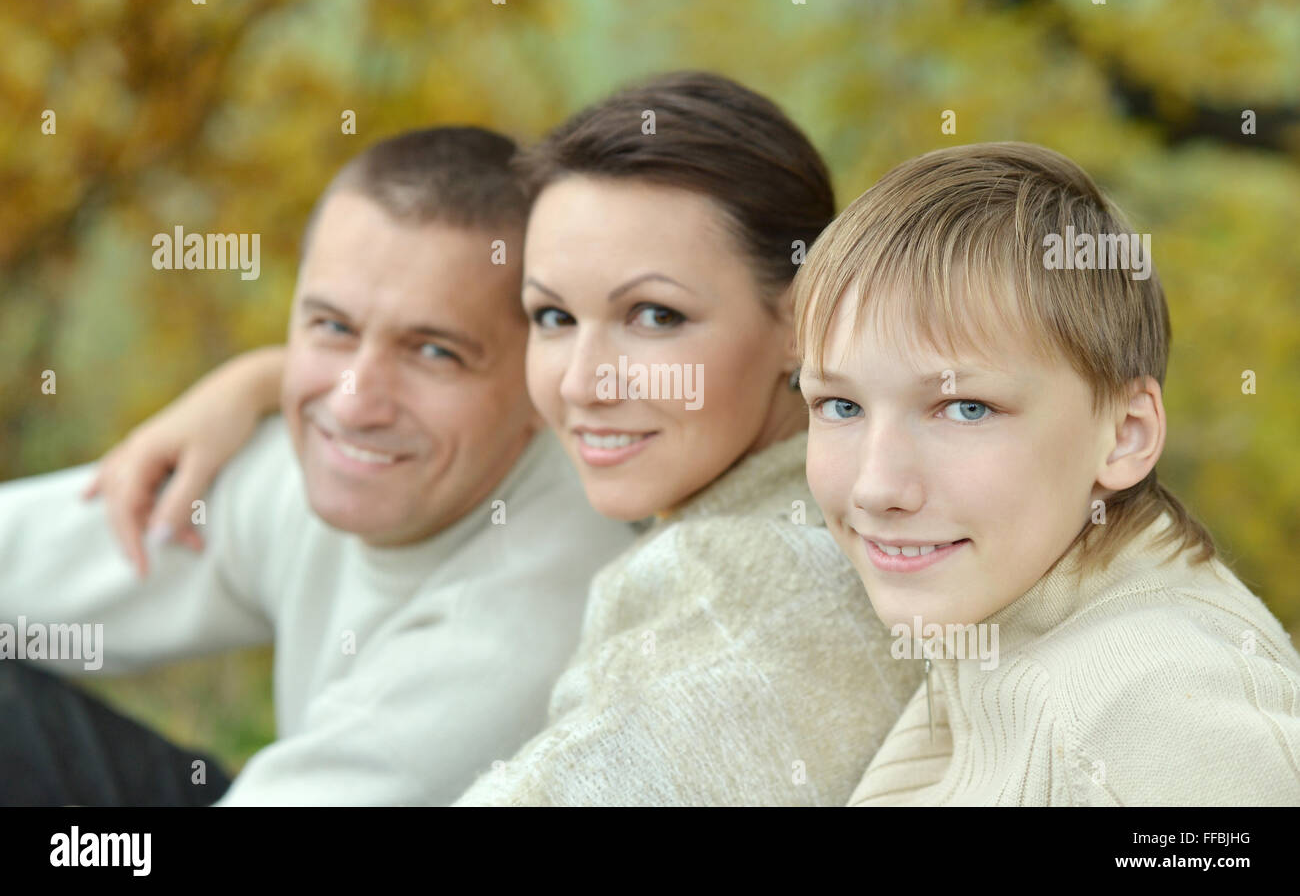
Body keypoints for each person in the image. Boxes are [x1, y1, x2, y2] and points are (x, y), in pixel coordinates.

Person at [97, 72, 923, 806]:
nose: (581, 381)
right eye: (554, 316)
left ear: (802, 319)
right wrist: (262, 380)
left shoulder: (748, 592)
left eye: (654, 316)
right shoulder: (820, 503)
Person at [0, 126, 635, 806]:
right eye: (333, 326)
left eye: (435, 353)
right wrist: (254, 381)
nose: (355, 402)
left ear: (545, 373)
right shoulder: (334, 459)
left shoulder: (522, 630)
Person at [793, 141, 1300, 805]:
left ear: (1125, 435)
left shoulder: (1152, 717)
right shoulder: (990, 639)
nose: (877, 486)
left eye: (966, 408)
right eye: (840, 405)